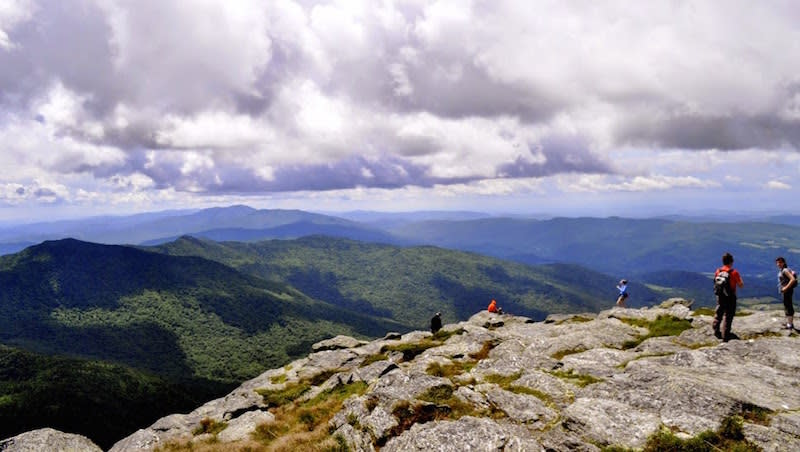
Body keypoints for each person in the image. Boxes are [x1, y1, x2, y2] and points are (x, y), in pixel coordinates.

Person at [713, 252, 744, 342]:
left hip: (720, 295)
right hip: (730, 297)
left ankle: (715, 329)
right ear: (731, 261)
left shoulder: (718, 271)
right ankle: (725, 335)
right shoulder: (734, 272)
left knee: (719, 312)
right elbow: (741, 285)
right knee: (728, 315)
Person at [776, 257, 796, 330]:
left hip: (787, 291)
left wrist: (786, 288)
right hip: (787, 291)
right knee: (787, 305)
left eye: (780, 262)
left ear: (784, 262)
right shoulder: (784, 270)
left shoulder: (785, 270)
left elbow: (793, 279)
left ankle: (790, 325)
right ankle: (789, 322)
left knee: (788, 306)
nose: (779, 264)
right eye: (777, 263)